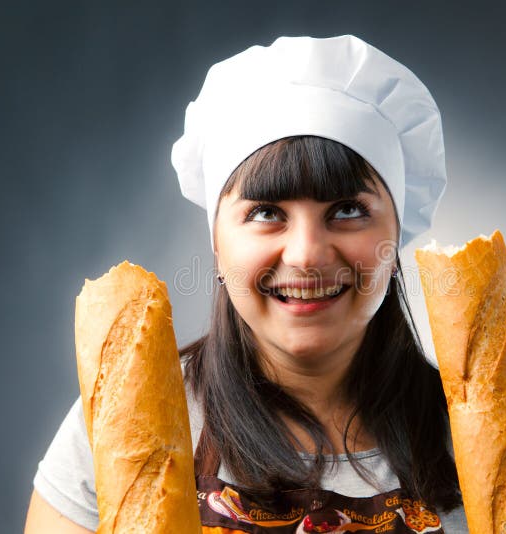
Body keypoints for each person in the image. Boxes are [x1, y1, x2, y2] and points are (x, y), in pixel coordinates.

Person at [24, 35, 469, 533]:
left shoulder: (474, 441)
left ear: (395, 234)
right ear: (217, 240)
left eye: (347, 210)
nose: (305, 255)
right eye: (266, 212)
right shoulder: (119, 425)